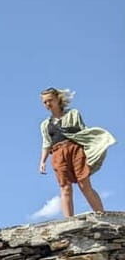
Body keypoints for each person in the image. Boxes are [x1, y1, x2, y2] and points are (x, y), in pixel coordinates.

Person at [38, 88, 116, 217]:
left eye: (50, 100)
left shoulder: (73, 114)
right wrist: (42, 161)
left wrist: (92, 147)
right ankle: (68, 220)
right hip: (58, 152)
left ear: (58, 99)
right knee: (65, 187)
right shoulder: (45, 124)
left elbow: (83, 133)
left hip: (75, 149)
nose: (48, 104)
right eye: (45, 102)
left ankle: (101, 214)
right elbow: (46, 143)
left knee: (84, 183)